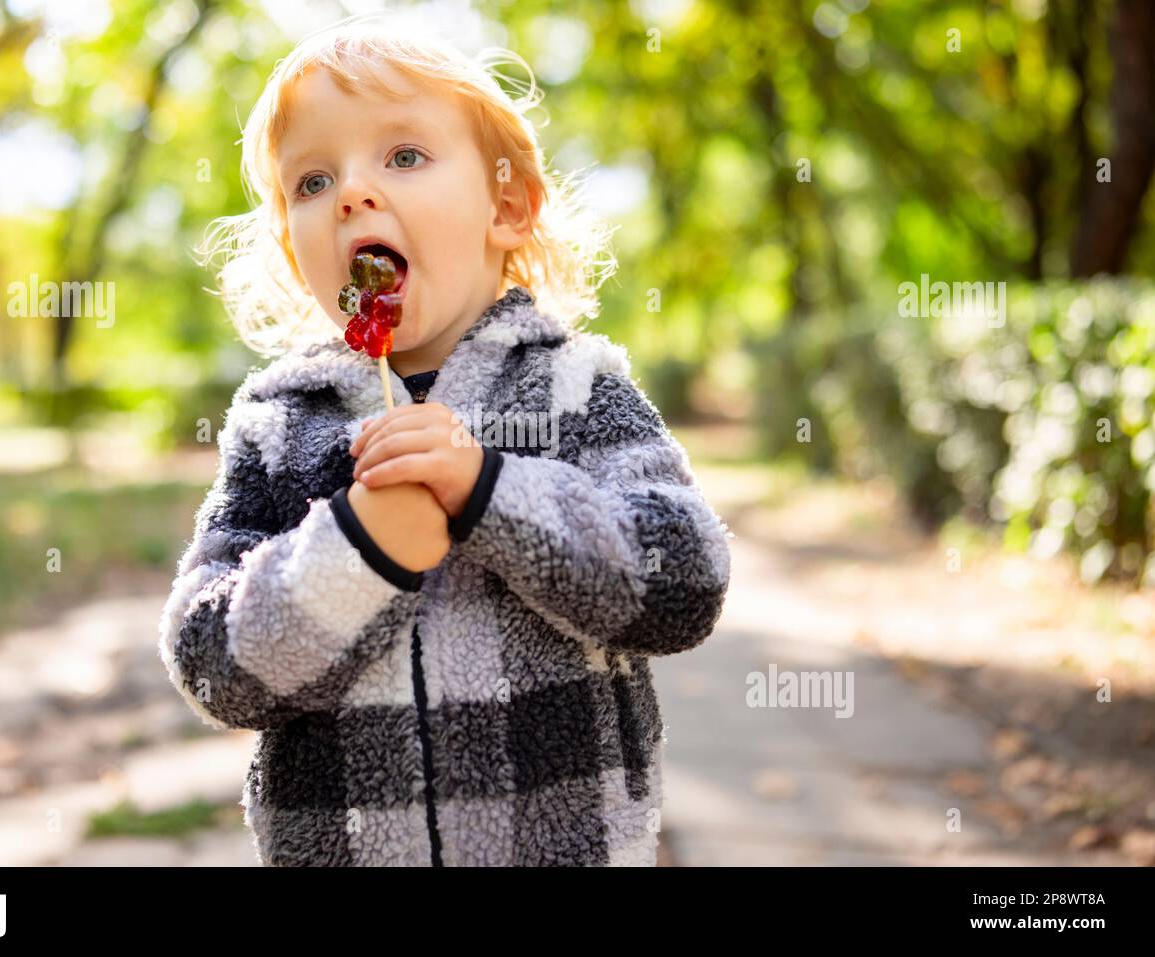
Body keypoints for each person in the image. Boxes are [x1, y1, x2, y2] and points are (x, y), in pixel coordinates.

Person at [158, 12, 732, 866]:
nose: (353, 192)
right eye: (312, 182)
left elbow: (684, 578)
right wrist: (353, 552)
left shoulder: (574, 386)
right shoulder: (281, 423)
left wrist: (493, 492)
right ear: (292, 247)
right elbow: (212, 664)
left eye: (403, 157)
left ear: (506, 206)